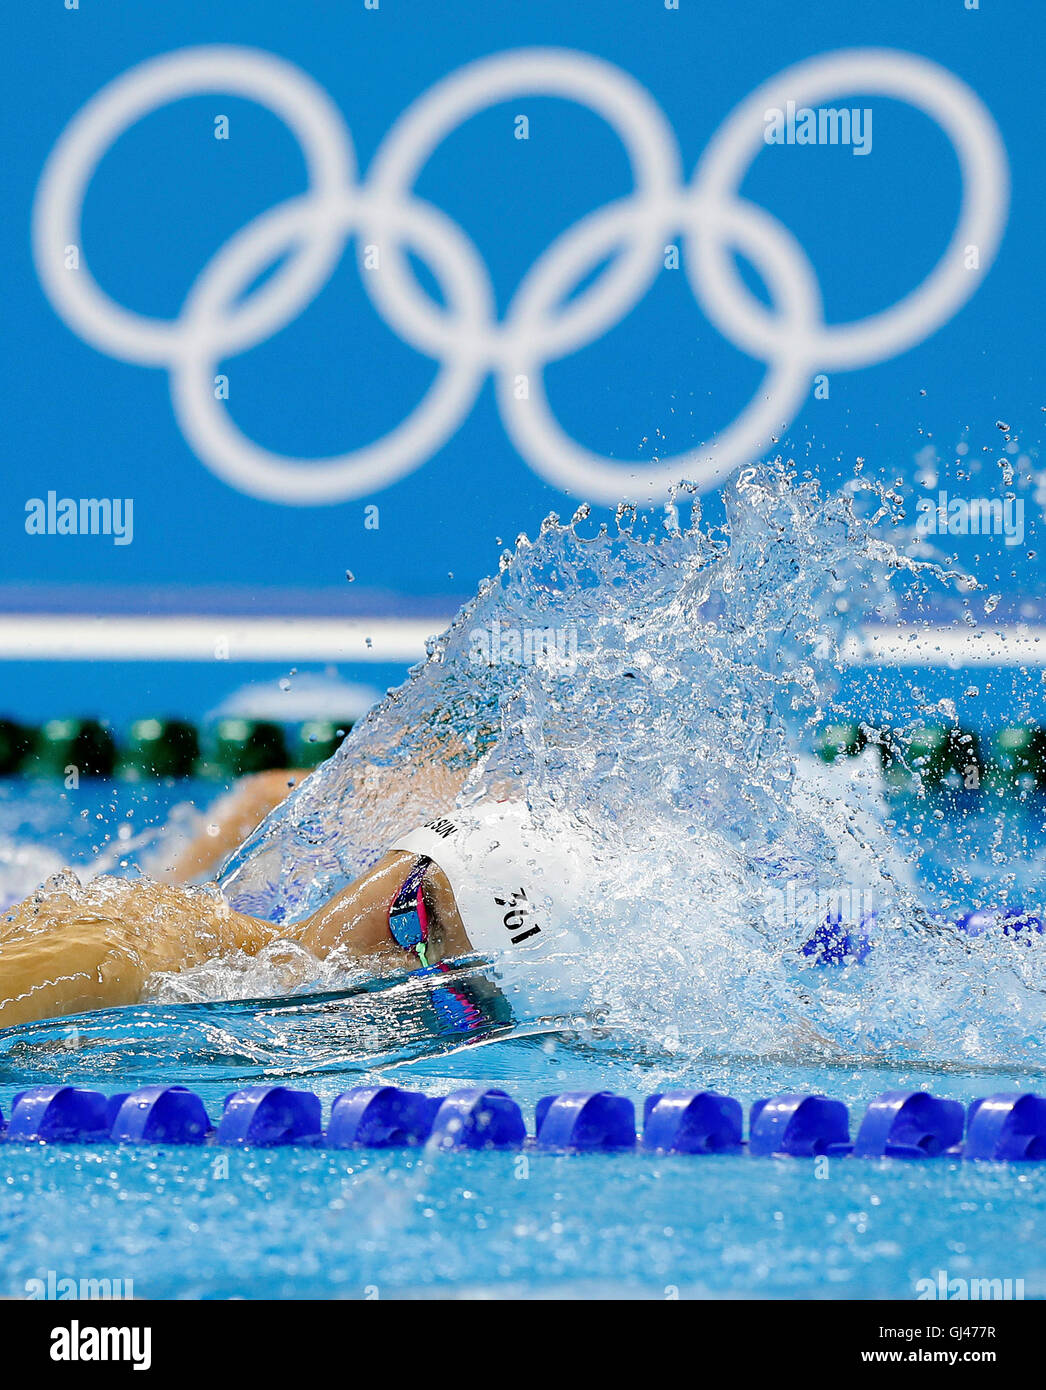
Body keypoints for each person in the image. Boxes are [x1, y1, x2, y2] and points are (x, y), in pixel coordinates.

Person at [0, 786, 586, 1031]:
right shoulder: (137, 954)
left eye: (456, 1005)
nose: (385, 943)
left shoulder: (226, 973)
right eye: (411, 928)